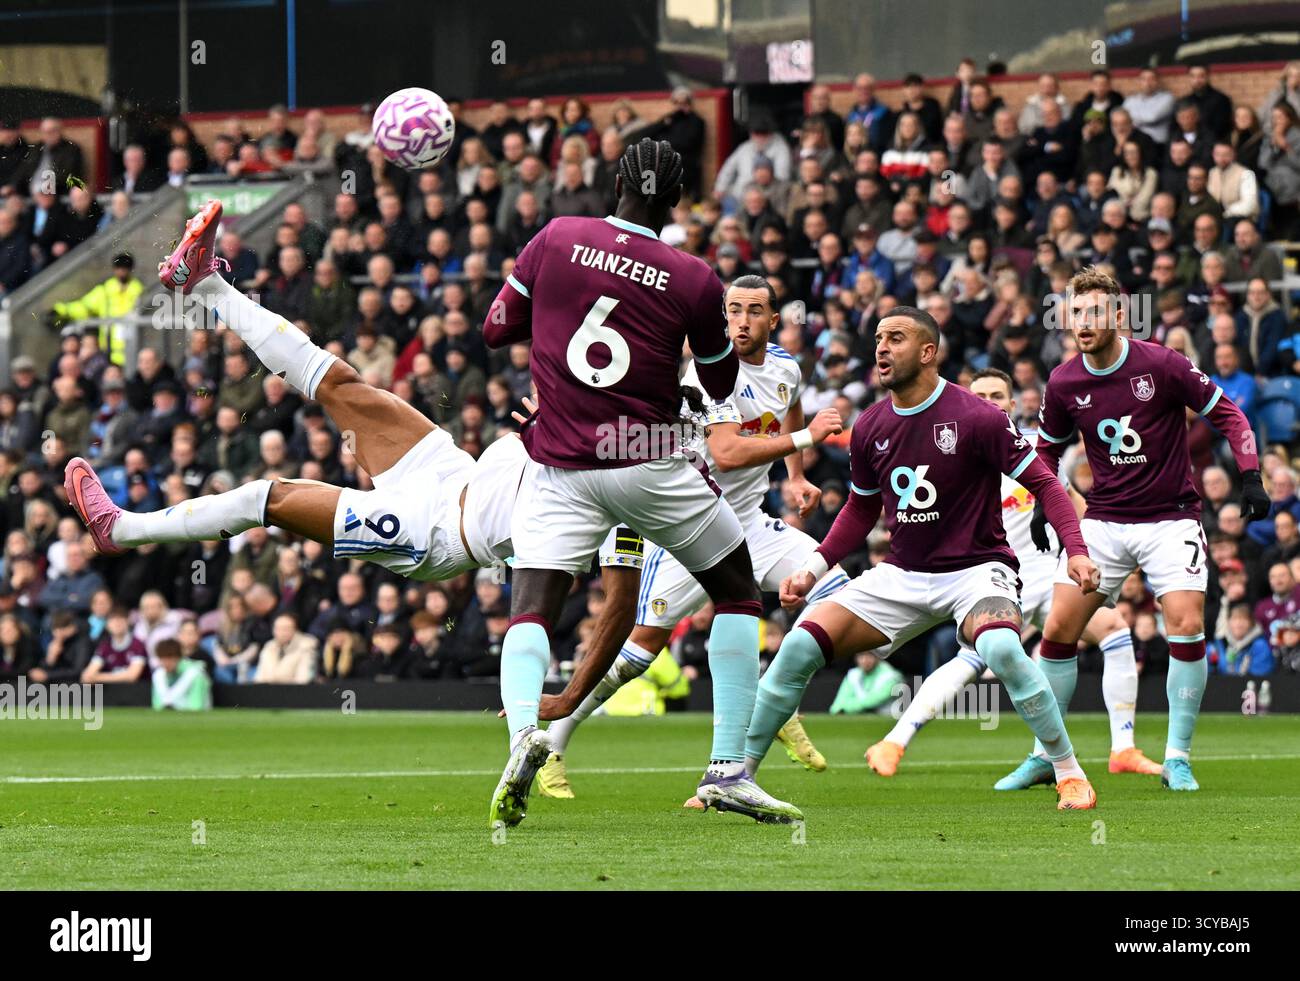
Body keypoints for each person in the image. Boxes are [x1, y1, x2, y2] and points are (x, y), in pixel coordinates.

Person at [64, 201, 642, 676]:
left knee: (270, 498)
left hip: (436, 533)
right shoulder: (599, 418)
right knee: (341, 383)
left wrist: (568, 699)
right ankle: (207, 283)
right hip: (450, 472)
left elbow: (615, 600)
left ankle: (124, 529)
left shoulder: (625, 500)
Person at [481, 137, 801, 827]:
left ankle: (521, 740)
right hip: (650, 461)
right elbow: (719, 382)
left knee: (532, 608)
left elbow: (494, 327)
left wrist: (557, 326)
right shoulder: (692, 276)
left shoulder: (556, 236)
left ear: (614, 182)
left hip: (561, 466)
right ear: (677, 201)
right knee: (738, 591)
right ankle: (726, 771)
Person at [744, 305, 1103, 811]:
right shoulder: (871, 424)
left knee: (1001, 648)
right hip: (901, 574)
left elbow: (1044, 481)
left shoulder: (978, 417)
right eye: (878, 338)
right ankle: (738, 775)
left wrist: (1078, 551)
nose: (882, 348)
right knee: (798, 647)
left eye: (895, 338)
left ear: (928, 352)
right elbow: (860, 509)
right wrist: (813, 568)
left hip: (977, 571)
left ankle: (1068, 772)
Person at [537, 275, 847, 798]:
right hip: (691, 528)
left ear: (774, 320)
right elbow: (726, 453)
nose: (741, 322)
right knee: (639, 652)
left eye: (754, 311)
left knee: (839, 595)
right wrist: (805, 438)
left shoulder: (785, 366)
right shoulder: (708, 374)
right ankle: (552, 744)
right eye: (732, 311)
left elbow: (788, 405)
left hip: (749, 522)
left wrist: (795, 475)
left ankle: (770, 703)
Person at [1028, 266, 1267, 792]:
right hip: (1105, 521)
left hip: (1170, 518)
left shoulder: (1161, 364)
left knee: (1184, 624)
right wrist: (1046, 503)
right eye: (1076, 314)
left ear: (1118, 315)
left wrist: (1249, 474)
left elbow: (1230, 414)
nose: (1083, 323)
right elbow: (1045, 448)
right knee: (1058, 632)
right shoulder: (1065, 380)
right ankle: (1047, 756)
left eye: (1094, 313)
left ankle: (1177, 757)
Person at [865, 369, 1161, 781]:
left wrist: (1086, 552)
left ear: (1010, 401)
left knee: (1114, 629)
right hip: (993, 577)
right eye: (980, 394)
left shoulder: (1030, 453)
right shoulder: (953, 454)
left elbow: (1072, 504)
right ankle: (899, 738)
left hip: (1046, 574)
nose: (989, 400)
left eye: (998, 394)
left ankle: (1121, 749)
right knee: (972, 654)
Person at [829, 650, 903, 714]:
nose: (865, 660)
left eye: (870, 655)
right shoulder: (853, 674)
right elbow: (836, 706)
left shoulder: (891, 676)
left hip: (889, 722)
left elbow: (875, 700)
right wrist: (840, 708)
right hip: (858, 722)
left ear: (878, 656)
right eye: (861, 655)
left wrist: (845, 708)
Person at [151, 637, 213, 711]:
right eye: (162, 659)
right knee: (158, 675)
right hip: (170, 715)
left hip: (196, 718)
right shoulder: (159, 675)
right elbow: (157, 705)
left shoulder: (196, 673)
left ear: (179, 657)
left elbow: (196, 706)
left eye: (170, 658)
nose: (166, 663)